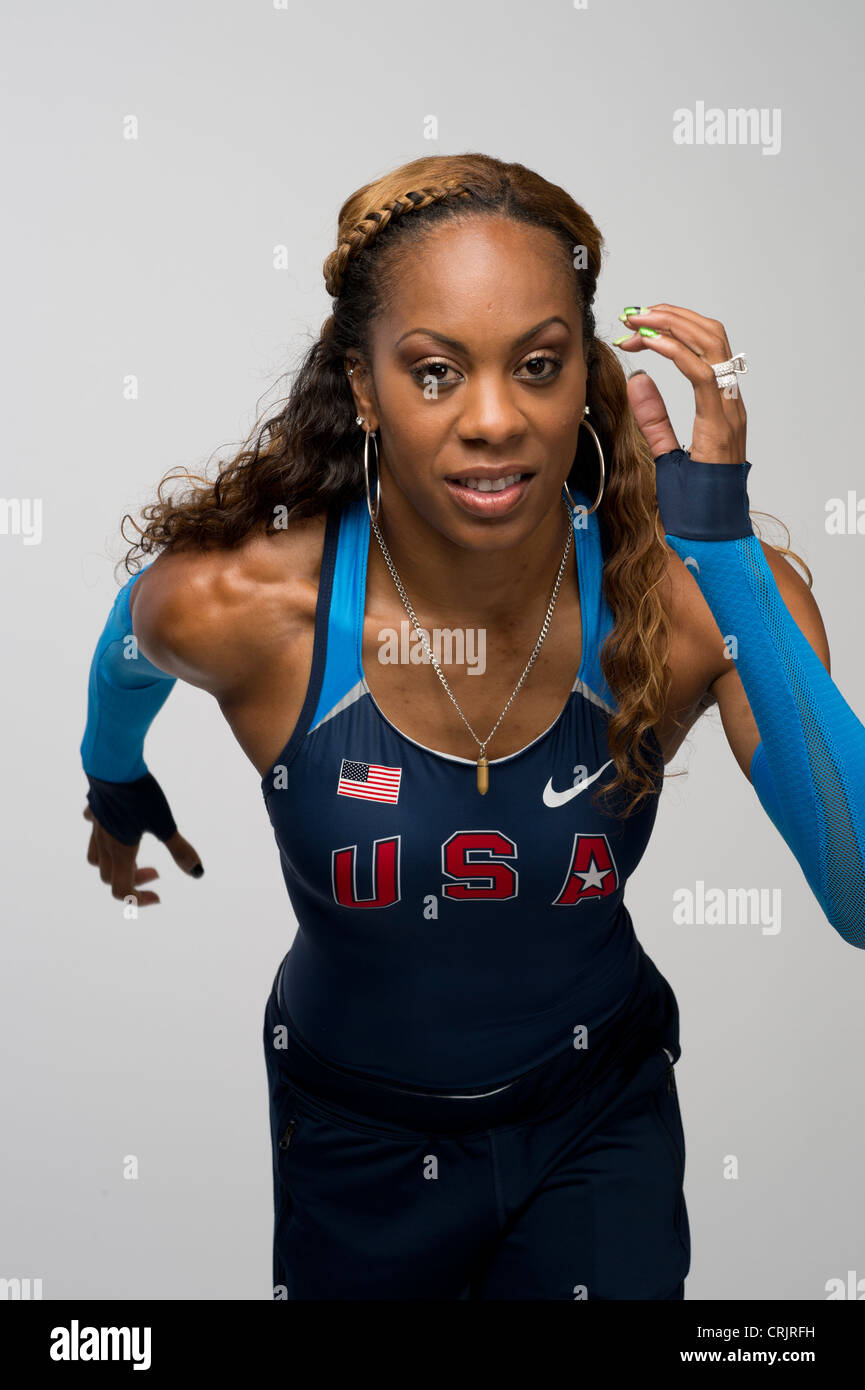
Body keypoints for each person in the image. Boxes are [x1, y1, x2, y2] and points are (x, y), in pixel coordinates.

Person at [80, 153, 865, 1301]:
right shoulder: (254, 608)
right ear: (361, 386)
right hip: (353, 1142)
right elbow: (127, 642)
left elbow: (858, 893)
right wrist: (114, 778)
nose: (493, 419)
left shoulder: (700, 597)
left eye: (537, 366)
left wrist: (722, 548)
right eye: (436, 371)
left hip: (595, 1121)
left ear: (581, 376)